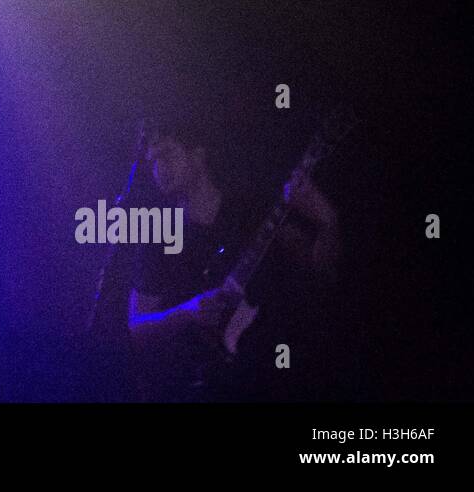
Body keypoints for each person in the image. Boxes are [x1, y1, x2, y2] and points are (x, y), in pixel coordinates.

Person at [127, 116, 341, 401]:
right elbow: (137, 325)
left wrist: (328, 221)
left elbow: (322, 270)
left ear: (198, 155)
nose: (158, 168)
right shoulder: (158, 233)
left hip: (276, 378)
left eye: (166, 154)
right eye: (152, 161)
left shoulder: (253, 209)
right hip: (201, 388)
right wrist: (188, 312)